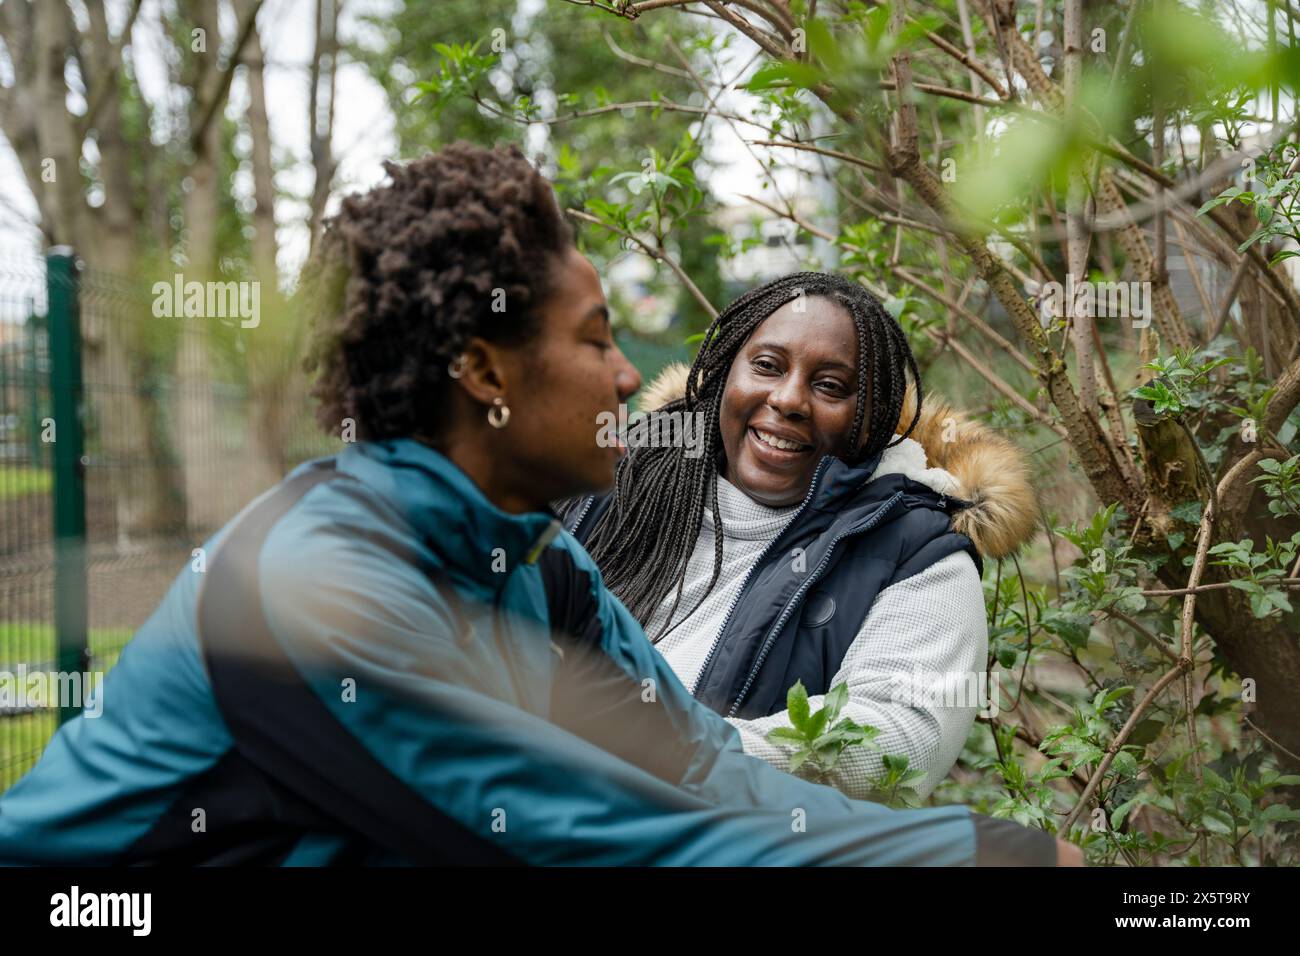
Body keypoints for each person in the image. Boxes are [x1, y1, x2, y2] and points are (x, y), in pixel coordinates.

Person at [0, 143, 1076, 866]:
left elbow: (698, 769)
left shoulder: (539, 567)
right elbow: (588, 835)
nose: (626, 378)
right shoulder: (319, 578)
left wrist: (979, 844)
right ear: (485, 369)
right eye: (597, 338)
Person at [564, 274, 1038, 801]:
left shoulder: (919, 554)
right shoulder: (613, 477)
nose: (789, 399)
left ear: (873, 418)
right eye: (766, 366)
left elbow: (899, 742)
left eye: (831, 386)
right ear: (725, 374)